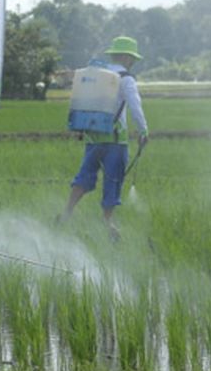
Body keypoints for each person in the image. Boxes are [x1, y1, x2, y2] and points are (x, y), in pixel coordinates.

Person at [58, 36, 149, 241]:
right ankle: (108, 223)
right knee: (113, 180)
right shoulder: (125, 78)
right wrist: (143, 131)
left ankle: (67, 213)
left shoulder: (97, 75)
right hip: (116, 140)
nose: (132, 62)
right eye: (132, 58)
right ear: (126, 57)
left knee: (84, 175)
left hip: (93, 136)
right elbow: (135, 106)